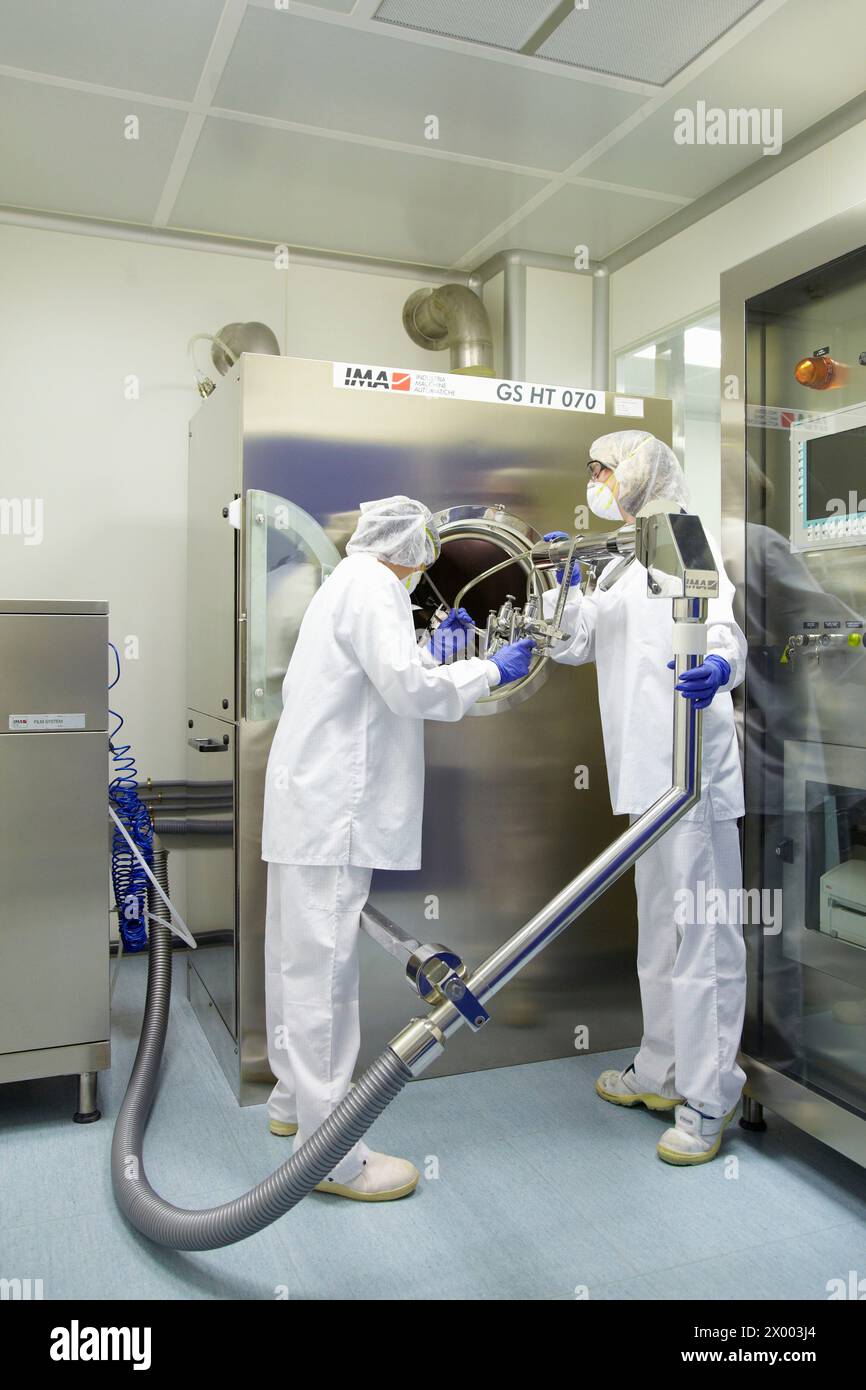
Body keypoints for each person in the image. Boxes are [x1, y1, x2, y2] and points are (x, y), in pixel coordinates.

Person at [261, 495, 534, 1201]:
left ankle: (293, 1104)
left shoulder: (344, 584)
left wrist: (425, 654)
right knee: (324, 975)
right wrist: (488, 672)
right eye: (431, 545)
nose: (431, 558)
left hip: (306, 803)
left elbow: (378, 677)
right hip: (332, 809)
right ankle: (332, 1158)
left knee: (295, 956)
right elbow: (409, 691)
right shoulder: (377, 587)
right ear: (412, 546)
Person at [544, 431, 747, 1165]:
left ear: (640, 471)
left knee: (704, 938)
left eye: (604, 468)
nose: (596, 480)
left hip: (691, 772)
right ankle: (660, 1071)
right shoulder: (622, 565)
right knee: (659, 930)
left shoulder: (682, 540)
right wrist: (560, 575)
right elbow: (572, 643)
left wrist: (720, 664)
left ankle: (708, 1098)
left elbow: (724, 630)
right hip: (646, 779)